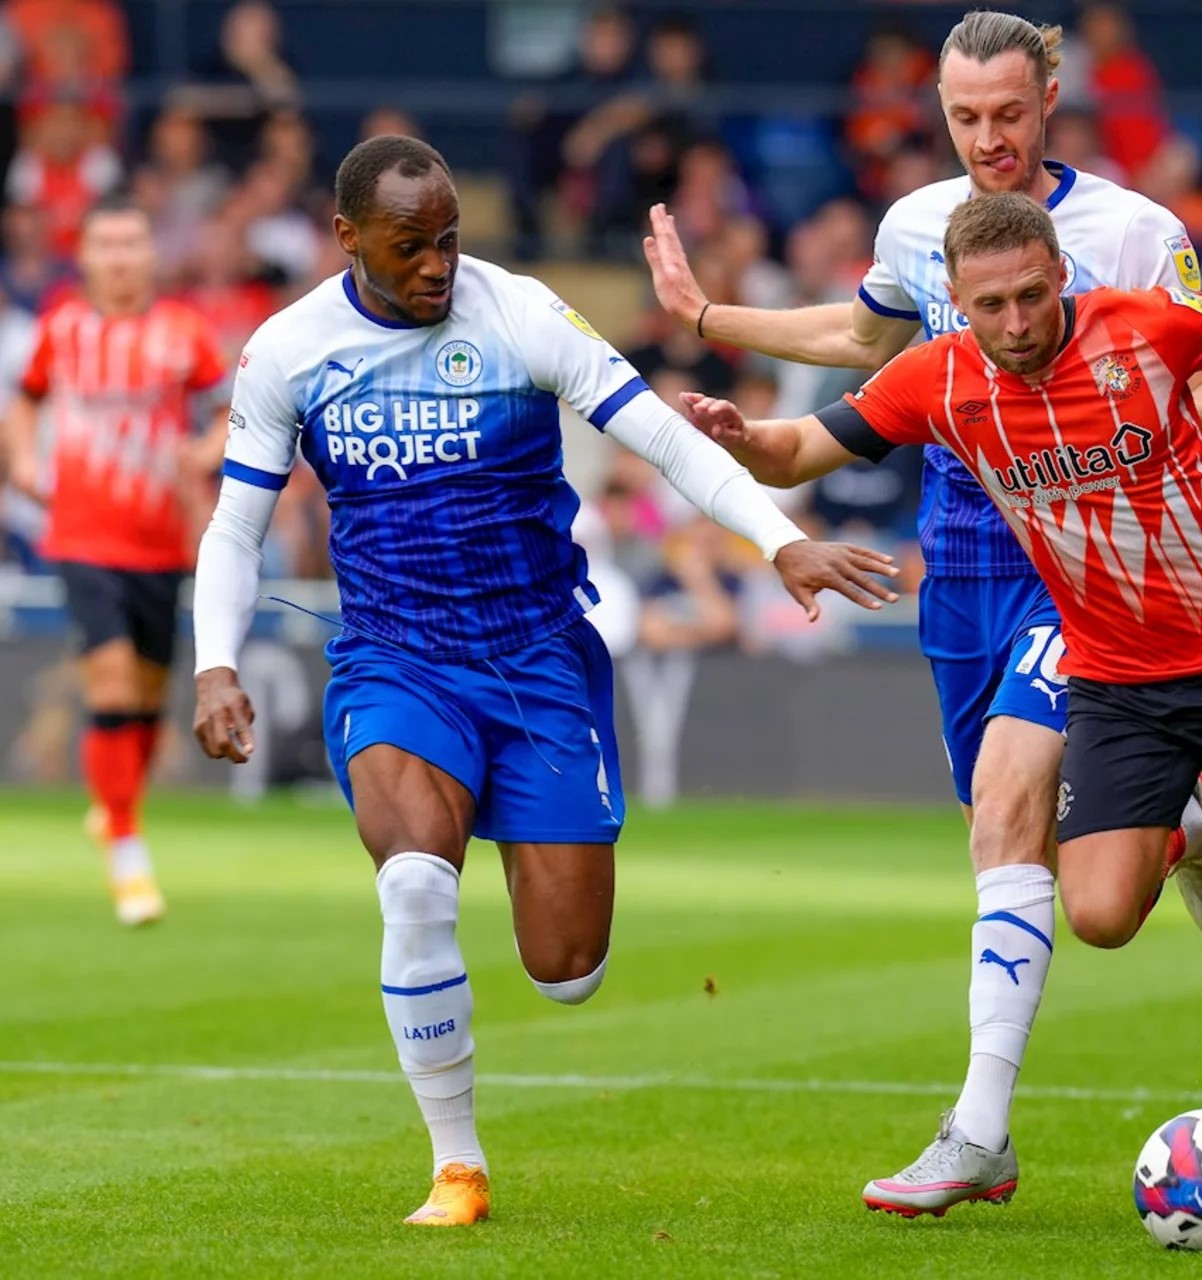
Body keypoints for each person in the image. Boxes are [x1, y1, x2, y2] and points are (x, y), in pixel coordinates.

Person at [680, 190, 1202, 1225]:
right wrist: (736, 432)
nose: (1016, 323)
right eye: (988, 305)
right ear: (955, 301)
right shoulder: (936, 378)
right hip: (1118, 681)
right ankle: (1181, 827)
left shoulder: (1144, 325)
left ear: (1060, 278)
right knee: (1096, 915)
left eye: (1032, 296)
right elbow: (797, 450)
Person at [186, 136, 898, 1227]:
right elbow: (236, 526)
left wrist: (774, 538)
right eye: (408, 246)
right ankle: (456, 1163)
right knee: (414, 882)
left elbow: (660, 434)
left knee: (566, 967)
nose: (436, 264)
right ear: (346, 239)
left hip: (537, 660)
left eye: (449, 238)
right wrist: (216, 662)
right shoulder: (290, 349)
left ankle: (528, 853)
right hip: (396, 660)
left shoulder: (519, 312)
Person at [642, 11, 1202, 1218]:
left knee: (1003, 819)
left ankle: (975, 1131)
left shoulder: (1131, 232)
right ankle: (1174, 821)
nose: (988, 140)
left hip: (1086, 562)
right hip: (960, 563)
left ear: (1049, 97)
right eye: (964, 118)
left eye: (1009, 115)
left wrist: (1091, 403)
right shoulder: (917, 227)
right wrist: (713, 323)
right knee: (1019, 845)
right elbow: (866, 340)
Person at [1, 193, 227, 926]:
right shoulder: (61, 329)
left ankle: (115, 803)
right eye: (109, 244)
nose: (122, 257)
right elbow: (25, 402)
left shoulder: (184, 333)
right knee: (111, 679)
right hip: (81, 535)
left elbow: (231, 408)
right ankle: (127, 850)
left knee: (147, 699)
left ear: (150, 254)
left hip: (161, 541)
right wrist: (25, 463)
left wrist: (209, 447)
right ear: (88, 254)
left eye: (134, 243)